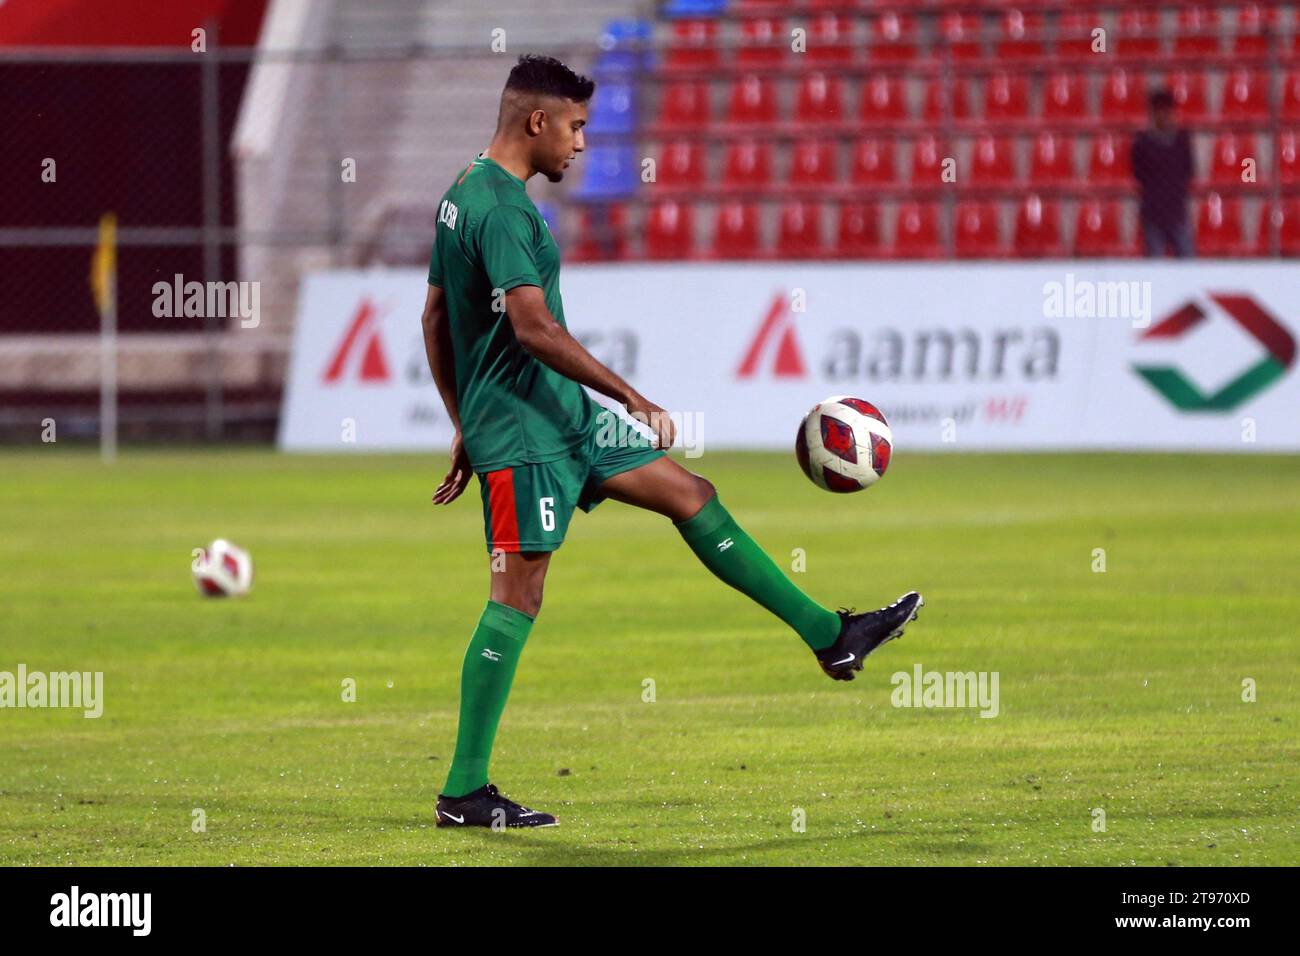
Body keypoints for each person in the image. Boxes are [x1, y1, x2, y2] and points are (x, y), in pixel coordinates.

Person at [420, 55, 924, 829]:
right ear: (537, 122)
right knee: (517, 595)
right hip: (525, 433)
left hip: (559, 418)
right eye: (576, 127)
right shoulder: (502, 213)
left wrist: (460, 415)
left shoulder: (462, 193)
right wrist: (627, 393)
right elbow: (533, 327)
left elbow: (434, 318)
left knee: (692, 495)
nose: (581, 145)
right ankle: (462, 789)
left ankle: (832, 635)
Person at [1131, 89, 1195, 258]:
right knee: (1155, 262)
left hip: (1177, 209)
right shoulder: (1142, 142)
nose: (1164, 116)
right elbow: (1139, 173)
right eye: (1159, 111)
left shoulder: (1182, 140)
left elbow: (1188, 170)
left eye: (1167, 111)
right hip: (1153, 211)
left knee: (1187, 259)